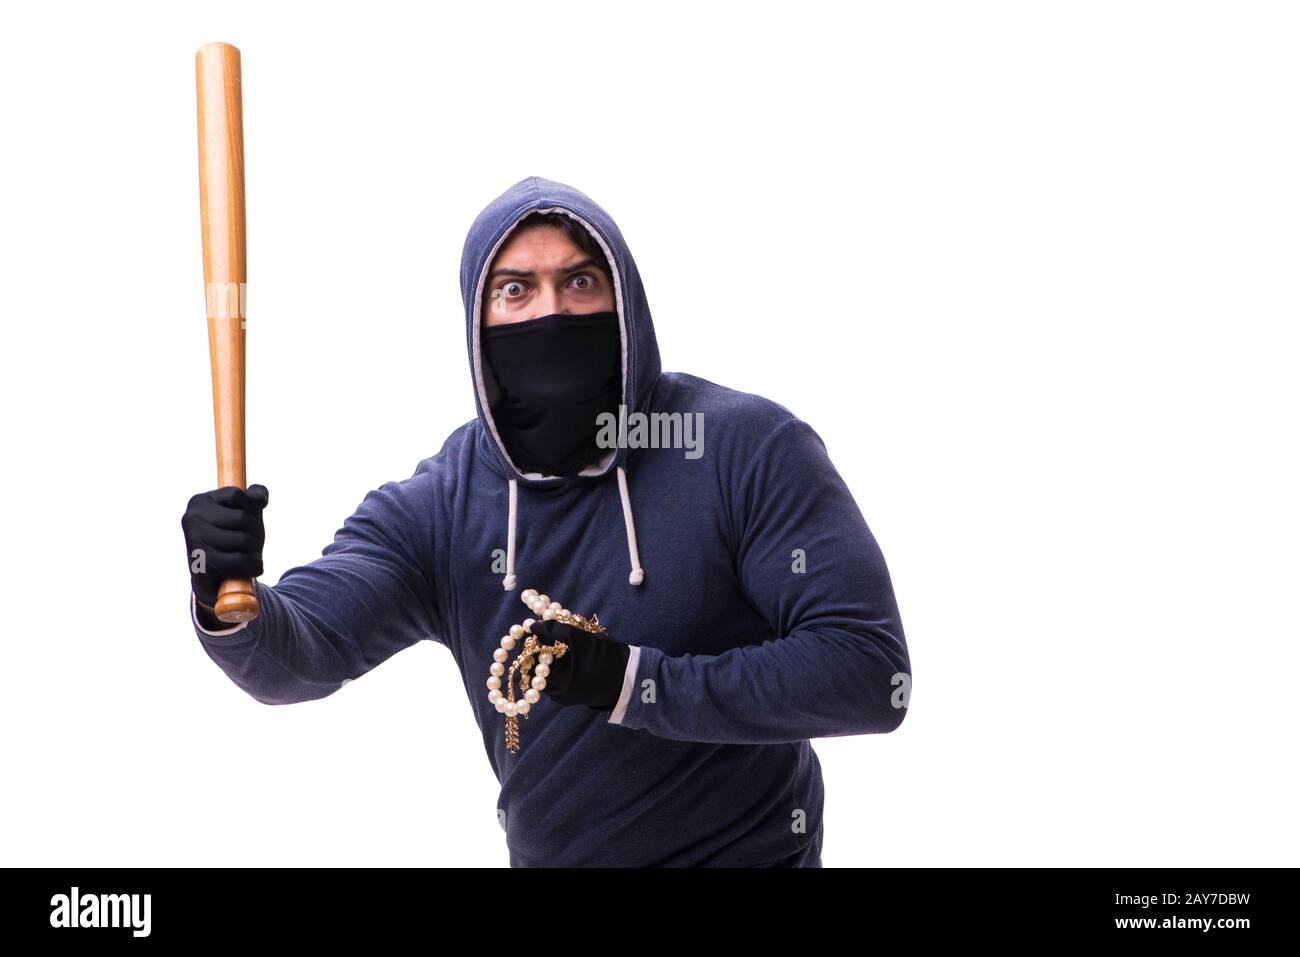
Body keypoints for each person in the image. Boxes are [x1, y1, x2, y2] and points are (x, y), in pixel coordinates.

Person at [181, 176, 911, 867]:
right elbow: (294, 658)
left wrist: (636, 681)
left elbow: (868, 672)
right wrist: (226, 594)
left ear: (624, 298)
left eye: (579, 281)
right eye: (515, 290)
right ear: (478, 319)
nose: (550, 313)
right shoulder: (442, 506)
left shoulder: (741, 448)